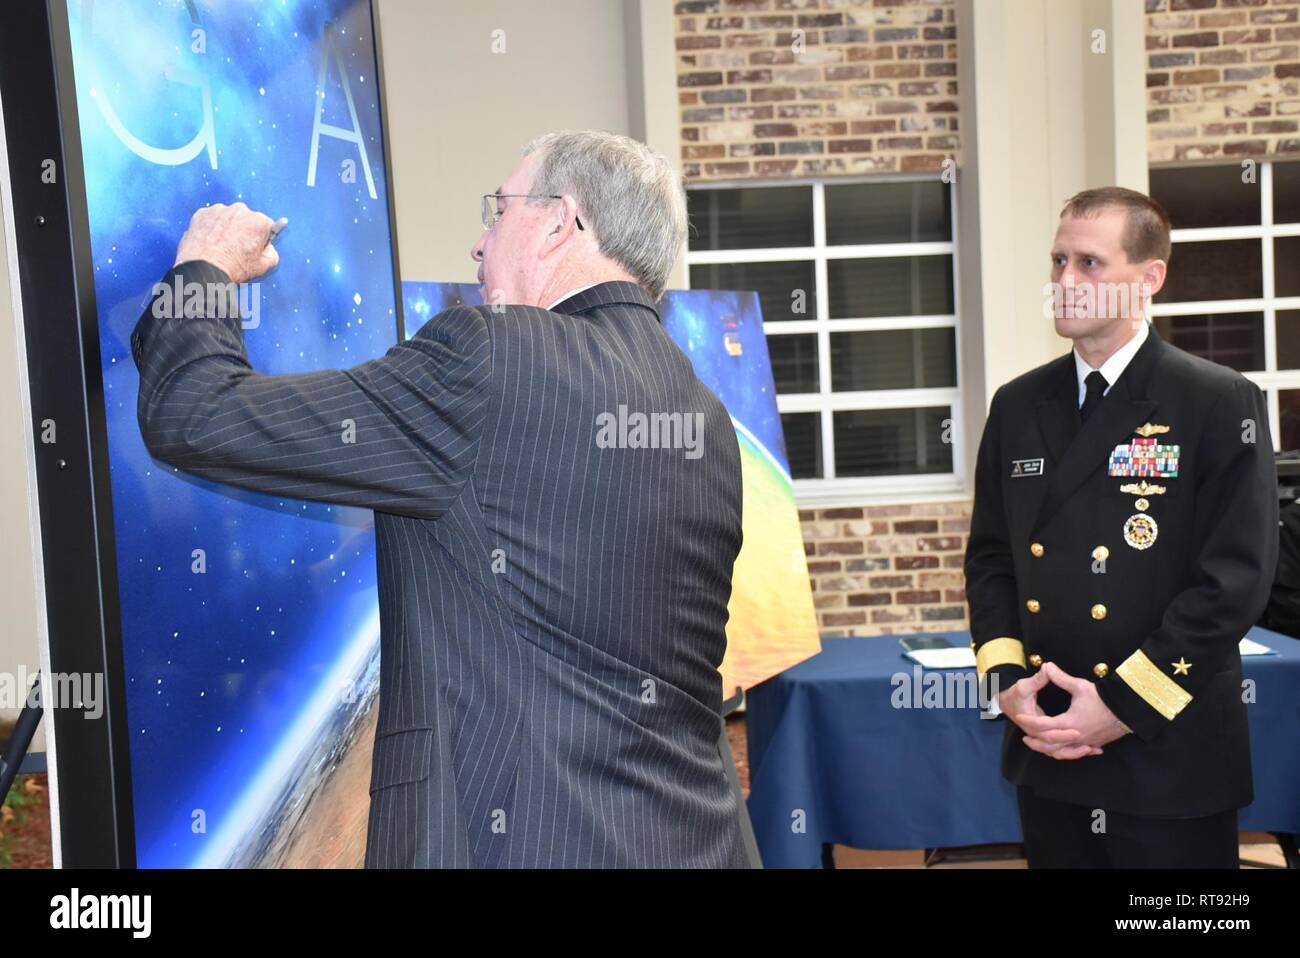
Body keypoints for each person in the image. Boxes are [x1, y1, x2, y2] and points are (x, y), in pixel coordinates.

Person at [131, 130, 750, 868]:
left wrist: (205, 269)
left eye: (497, 211)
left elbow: (198, 414)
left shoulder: (495, 356)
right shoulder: (705, 419)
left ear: (562, 221)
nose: (478, 246)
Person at [964, 186, 1278, 868]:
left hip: (1168, 748)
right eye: (1057, 262)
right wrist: (1007, 683)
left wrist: (1123, 704)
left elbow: (1234, 582)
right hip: (1052, 741)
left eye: (1090, 264)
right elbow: (992, 558)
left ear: (1150, 277)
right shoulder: (1018, 405)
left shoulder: (1217, 402)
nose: (1065, 283)